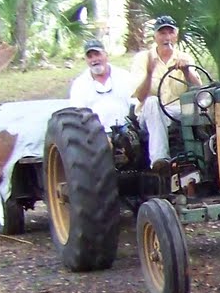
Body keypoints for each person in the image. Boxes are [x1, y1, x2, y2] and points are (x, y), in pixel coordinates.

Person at [133, 15, 202, 174]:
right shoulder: (142, 59)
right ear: (155, 36)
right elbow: (140, 97)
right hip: (149, 114)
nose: (166, 37)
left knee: (204, 109)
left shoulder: (184, 57)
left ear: (176, 36)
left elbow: (199, 90)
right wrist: (149, 73)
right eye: (162, 33)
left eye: (170, 33)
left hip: (177, 112)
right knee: (152, 101)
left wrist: (186, 71)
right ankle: (160, 161)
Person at [68, 37, 133, 130]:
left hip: (126, 129)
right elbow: (77, 115)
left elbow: (135, 105)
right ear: (85, 60)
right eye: (90, 57)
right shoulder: (79, 84)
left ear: (106, 55)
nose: (94, 60)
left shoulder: (124, 76)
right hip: (94, 135)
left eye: (97, 54)